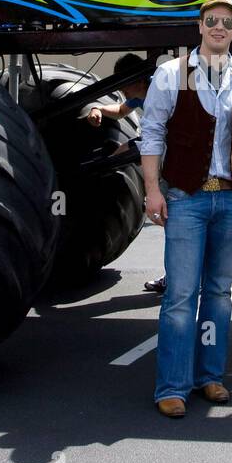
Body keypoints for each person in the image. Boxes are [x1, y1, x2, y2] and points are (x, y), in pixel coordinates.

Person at [138, 0, 232, 418]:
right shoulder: (171, 75)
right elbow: (152, 133)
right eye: (211, 20)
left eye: (227, 23)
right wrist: (152, 191)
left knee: (218, 295)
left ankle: (209, 377)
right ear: (199, 26)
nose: (219, 28)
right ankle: (172, 387)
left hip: (231, 200)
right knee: (180, 296)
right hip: (186, 198)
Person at [84, 54, 169, 294]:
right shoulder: (138, 96)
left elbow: (156, 138)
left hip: (172, 157)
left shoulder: (157, 94)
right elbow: (121, 110)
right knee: (171, 222)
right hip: (162, 151)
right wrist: (98, 108)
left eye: (124, 83)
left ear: (140, 80)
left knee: (171, 220)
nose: (121, 89)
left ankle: (179, 277)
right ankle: (178, 275)